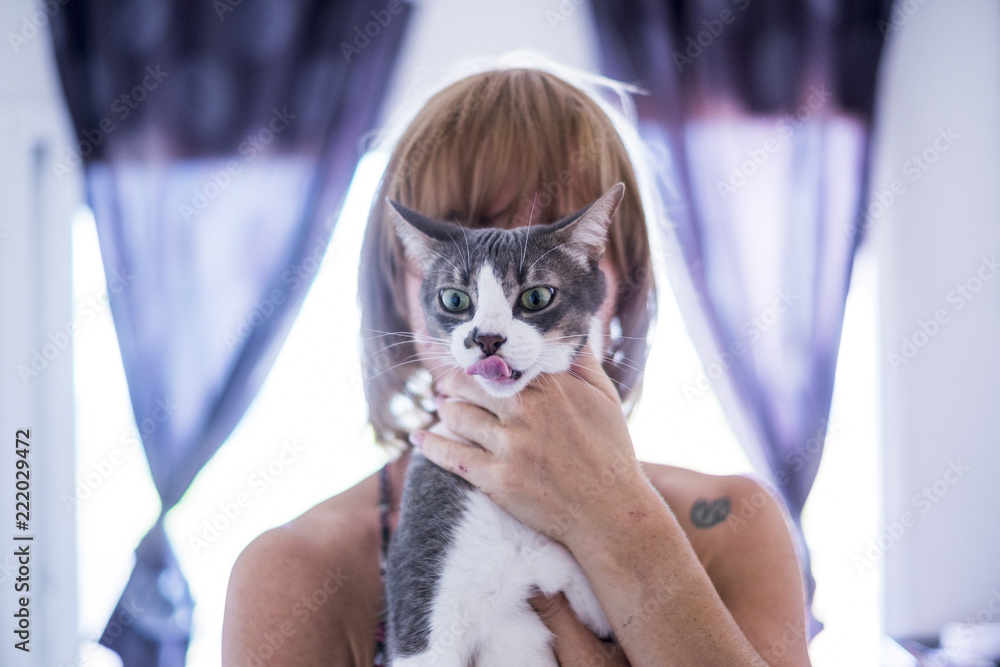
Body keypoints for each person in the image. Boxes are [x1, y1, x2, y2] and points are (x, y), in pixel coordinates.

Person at [222, 66, 811, 666]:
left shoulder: (733, 526)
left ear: (619, 284)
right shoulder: (297, 570)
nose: (495, 298)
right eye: (461, 254)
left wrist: (616, 521)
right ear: (401, 292)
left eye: (545, 242)